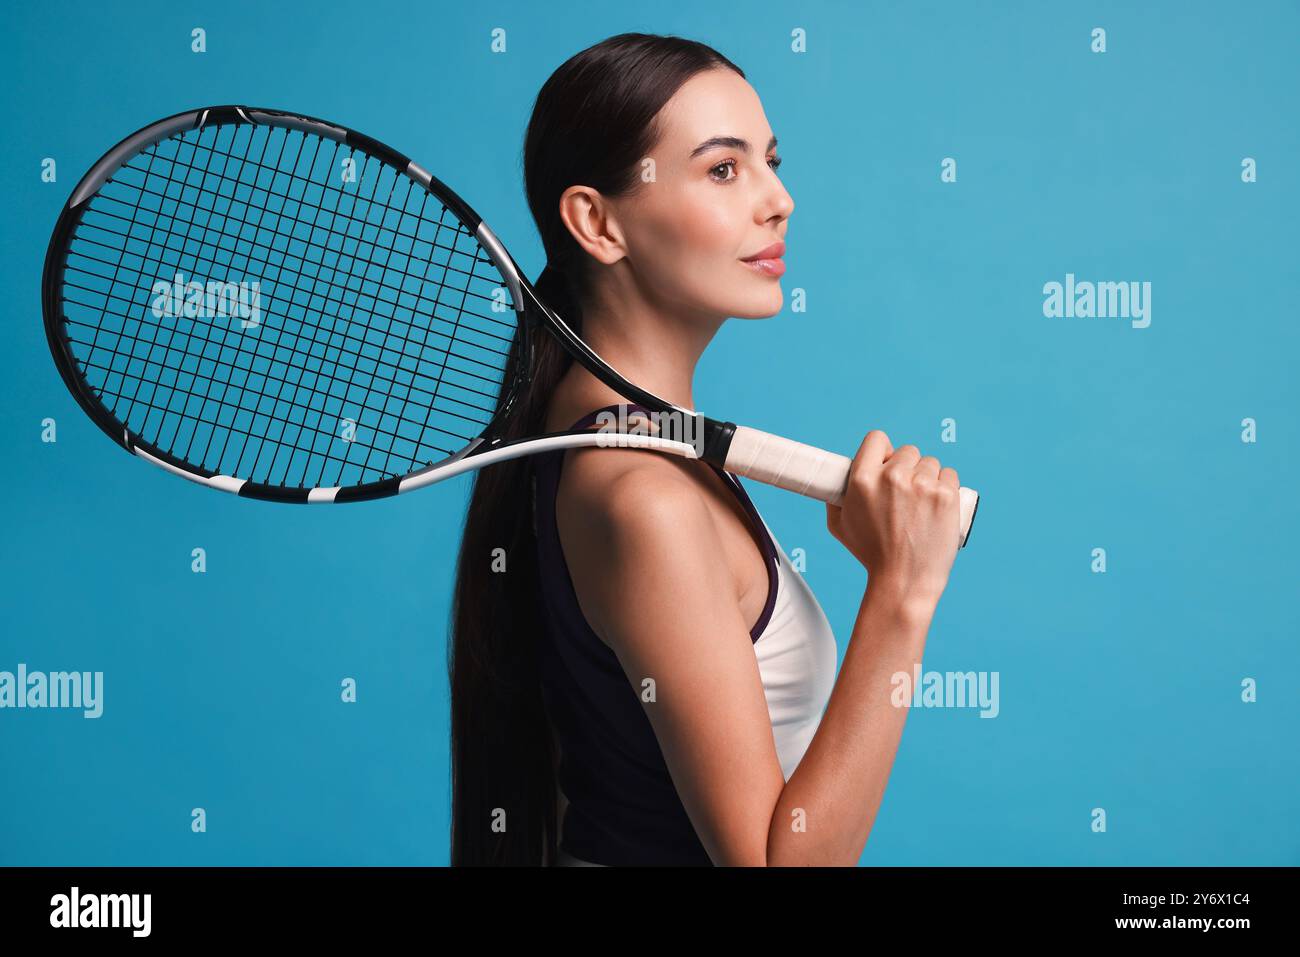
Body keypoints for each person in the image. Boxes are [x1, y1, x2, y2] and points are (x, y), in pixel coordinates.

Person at [449, 32, 962, 867]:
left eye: (770, 160)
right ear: (597, 222)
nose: (778, 199)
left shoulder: (619, 439)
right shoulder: (644, 499)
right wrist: (903, 590)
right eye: (724, 169)